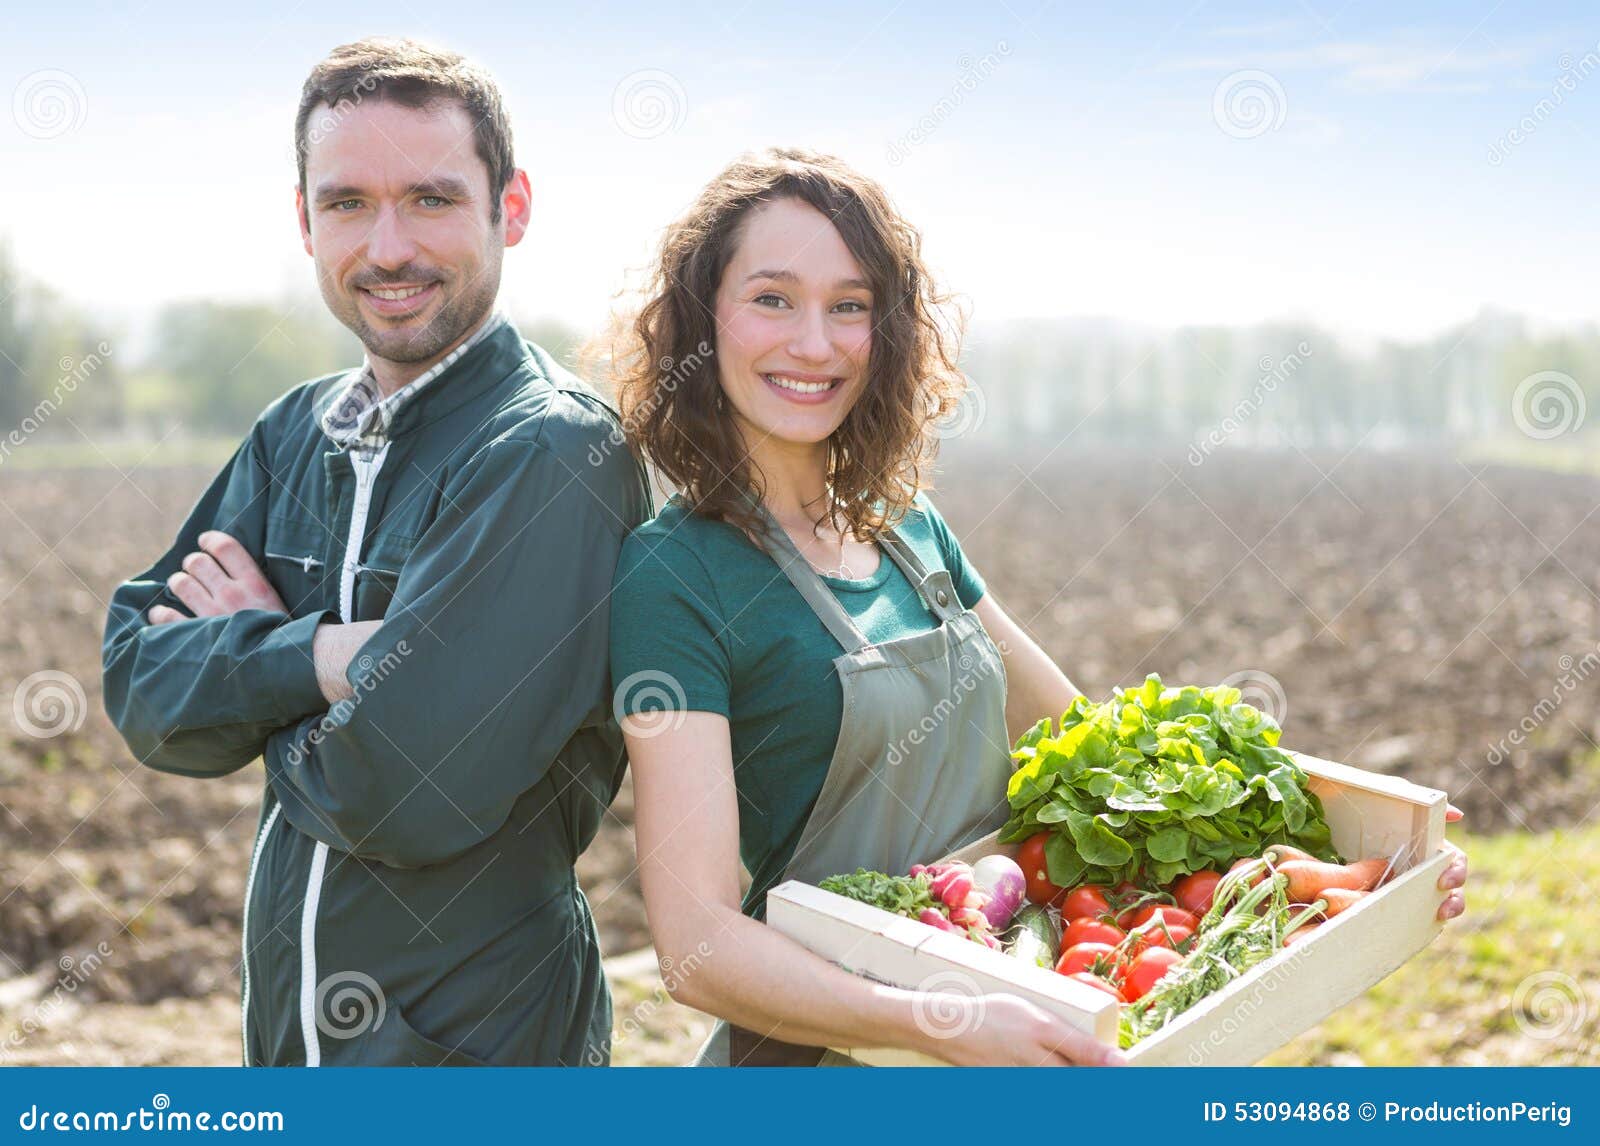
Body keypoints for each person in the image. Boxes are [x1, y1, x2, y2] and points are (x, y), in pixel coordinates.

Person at [605, 148, 1469, 1067]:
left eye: (849, 305)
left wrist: (1348, 865)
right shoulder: (676, 576)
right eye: (773, 298)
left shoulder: (908, 531)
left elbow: (1094, 753)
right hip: (834, 1062)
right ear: (704, 319)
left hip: (1015, 1018)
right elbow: (695, 950)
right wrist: (943, 1022)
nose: (815, 342)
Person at [101, 38, 649, 1066]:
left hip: (473, 1059)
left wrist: (247, 669)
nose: (387, 246)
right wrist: (326, 656)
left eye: (431, 199)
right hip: (291, 1048)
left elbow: (403, 786)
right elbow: (139, 687)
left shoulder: (551, 450)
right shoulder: (294, 431)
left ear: (511, 207)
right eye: (348, 201)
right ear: (304, 219)